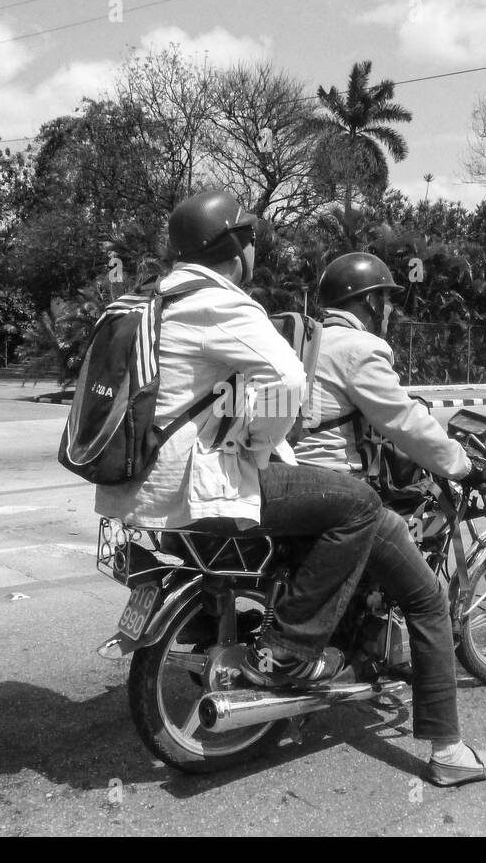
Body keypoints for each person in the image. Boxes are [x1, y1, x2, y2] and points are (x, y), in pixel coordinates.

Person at [93, 191, 382, 688]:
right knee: (359, 506)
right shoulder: (219, 302)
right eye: (250, 241)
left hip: (130, 484)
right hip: (197, 489)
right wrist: (259, 442)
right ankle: (289, 648)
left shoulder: (141, 300)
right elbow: (288, 380)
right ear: (238, 248)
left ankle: (212, 621)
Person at [293, 252, 486, 787]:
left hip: (289, 486)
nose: (387, 310)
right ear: (368, 302)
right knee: (428, 600)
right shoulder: (359, 347)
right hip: (337, 491)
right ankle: (448, 751)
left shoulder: (302, 341)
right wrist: (458, 462)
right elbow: (403, 421)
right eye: (384, 299)